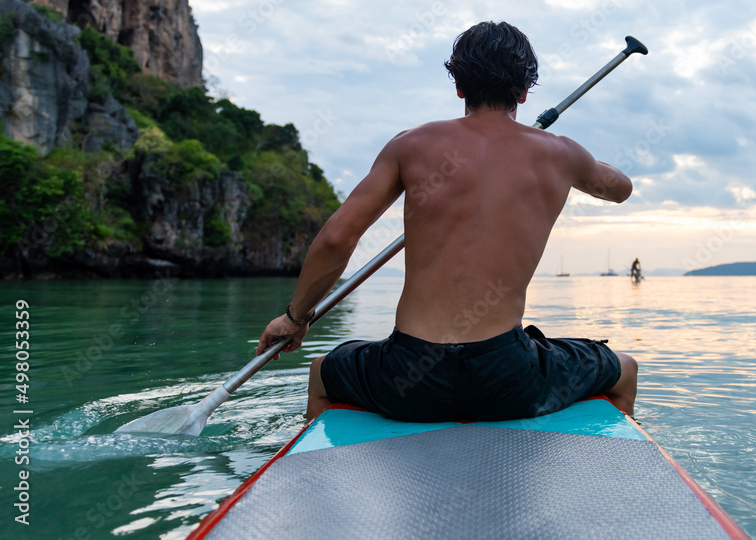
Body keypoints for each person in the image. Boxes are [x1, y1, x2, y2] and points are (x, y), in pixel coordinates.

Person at [256, 21, 638, 423]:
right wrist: (565, 155)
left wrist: (296, 318)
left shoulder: (410, 144)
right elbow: (620, 188)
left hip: (406, 376)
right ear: (525, 92)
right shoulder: (562, 155)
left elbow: (336, 239)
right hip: (507, 378)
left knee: (321, 374)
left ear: (459, 87)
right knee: (623, 368)